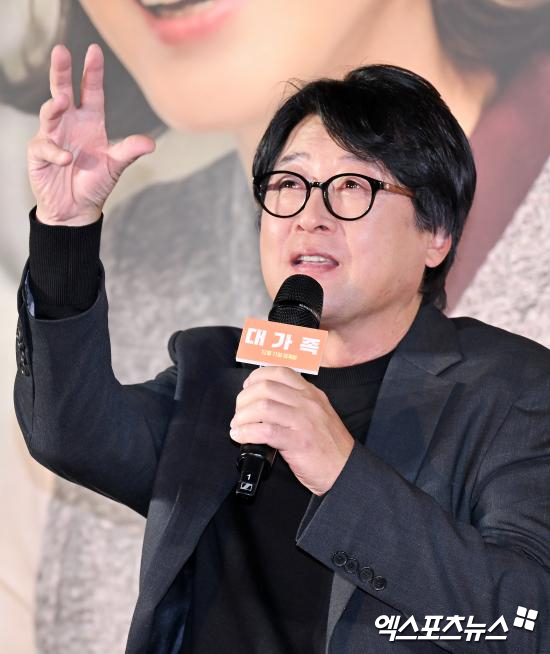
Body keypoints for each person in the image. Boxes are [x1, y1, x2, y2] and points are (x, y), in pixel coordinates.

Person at [2, 2, 550, 651]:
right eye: (288, 185)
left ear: (436, 233)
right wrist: (66, 230)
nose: (310, 217)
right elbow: (69, 430)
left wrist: (342, 473)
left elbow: (526, 619)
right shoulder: (219, 374)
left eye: (352, 187)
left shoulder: (513, 390)